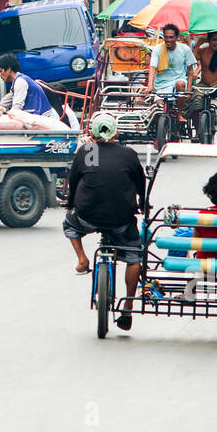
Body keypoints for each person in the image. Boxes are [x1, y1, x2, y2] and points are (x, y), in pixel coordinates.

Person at [63, 113, 146, 329]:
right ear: (116, 133)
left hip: (87, 216)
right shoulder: (128, 154)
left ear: (92, 134)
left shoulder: (88, 151)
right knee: (134, 256)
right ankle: (127, 306)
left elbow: (75, 181)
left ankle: (82, 259)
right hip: (122, 219)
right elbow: (140, 183)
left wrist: (71, 204)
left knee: (69, 225)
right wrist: (143, 204)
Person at [144, 23, 198, 101]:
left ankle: (180, 113)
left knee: (180, 84)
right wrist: (150, 86)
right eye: (166, 37)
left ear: (176, 37)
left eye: (171, 37)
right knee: (159, 107)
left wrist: (188, 92)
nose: (168, 40)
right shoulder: (157, 49)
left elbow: (190, 71)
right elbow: (152, 68)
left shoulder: (185, 49)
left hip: (179, 81)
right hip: (161, 84)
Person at [0, 54, 57, 119]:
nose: (0, 75)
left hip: (43, 118)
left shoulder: (20, 81)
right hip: (36, 117)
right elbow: (4, 103)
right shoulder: (17, 82)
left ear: (8, 69)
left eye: (0, 71)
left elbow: (17, 107)